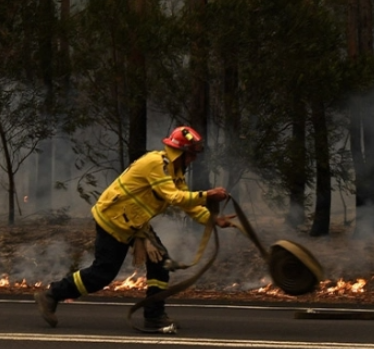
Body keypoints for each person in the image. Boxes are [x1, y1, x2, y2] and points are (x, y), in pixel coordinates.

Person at [34, 126, 233, 330]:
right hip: (114, 220)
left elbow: (186, 204)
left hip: (135, 224)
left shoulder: (175, 172)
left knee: (161, 263)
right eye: (191, 155)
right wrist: (208, 195)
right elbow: (175, 197)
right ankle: (52, 294)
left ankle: (154, 315)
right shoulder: (157, 164)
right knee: (102, 274)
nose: (193, 160)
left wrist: (213, 219)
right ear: (180, 152)